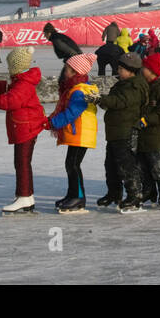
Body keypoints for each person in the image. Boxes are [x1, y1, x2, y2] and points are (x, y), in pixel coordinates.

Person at [0, 47, 49, 214]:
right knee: (21, 162)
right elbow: (4, 87)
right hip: (23, 127)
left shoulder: (24, 84)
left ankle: (24, 196)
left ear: (16, 65)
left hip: (26, 128)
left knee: (22, 162)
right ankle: (27, 196)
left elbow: (9, 101)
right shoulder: (21, 80)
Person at [96, 52, 149, 213]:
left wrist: (101, 99)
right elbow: (112, 102)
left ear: (131, 70)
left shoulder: (135, 86)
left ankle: (134, 195)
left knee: (126, 165)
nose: (118, 71)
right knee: (111, 165)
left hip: (125, 131)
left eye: (121, 68)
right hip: (114, 131)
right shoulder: (121, 84)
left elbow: (120, 102)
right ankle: (114, 193)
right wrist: (102, 101)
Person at [47, 53, 100, 212]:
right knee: (71, 164)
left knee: (73, 164)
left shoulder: (80, 91)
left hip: (81, 133)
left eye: (68, 69)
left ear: (77, 72)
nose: (65, 72)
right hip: (78, 132)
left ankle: (78, 197)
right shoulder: (76, 88)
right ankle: (72, 195)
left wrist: (52, 122)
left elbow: (71, 113)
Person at [135, 52, 160, 207]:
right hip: (142, 133)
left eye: (144, 67)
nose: (141, 70)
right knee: (142, 165)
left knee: (157, 165)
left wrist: (147, 119)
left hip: (156, 133)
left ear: (151, 70)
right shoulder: (143, 86)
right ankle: (149, 190)